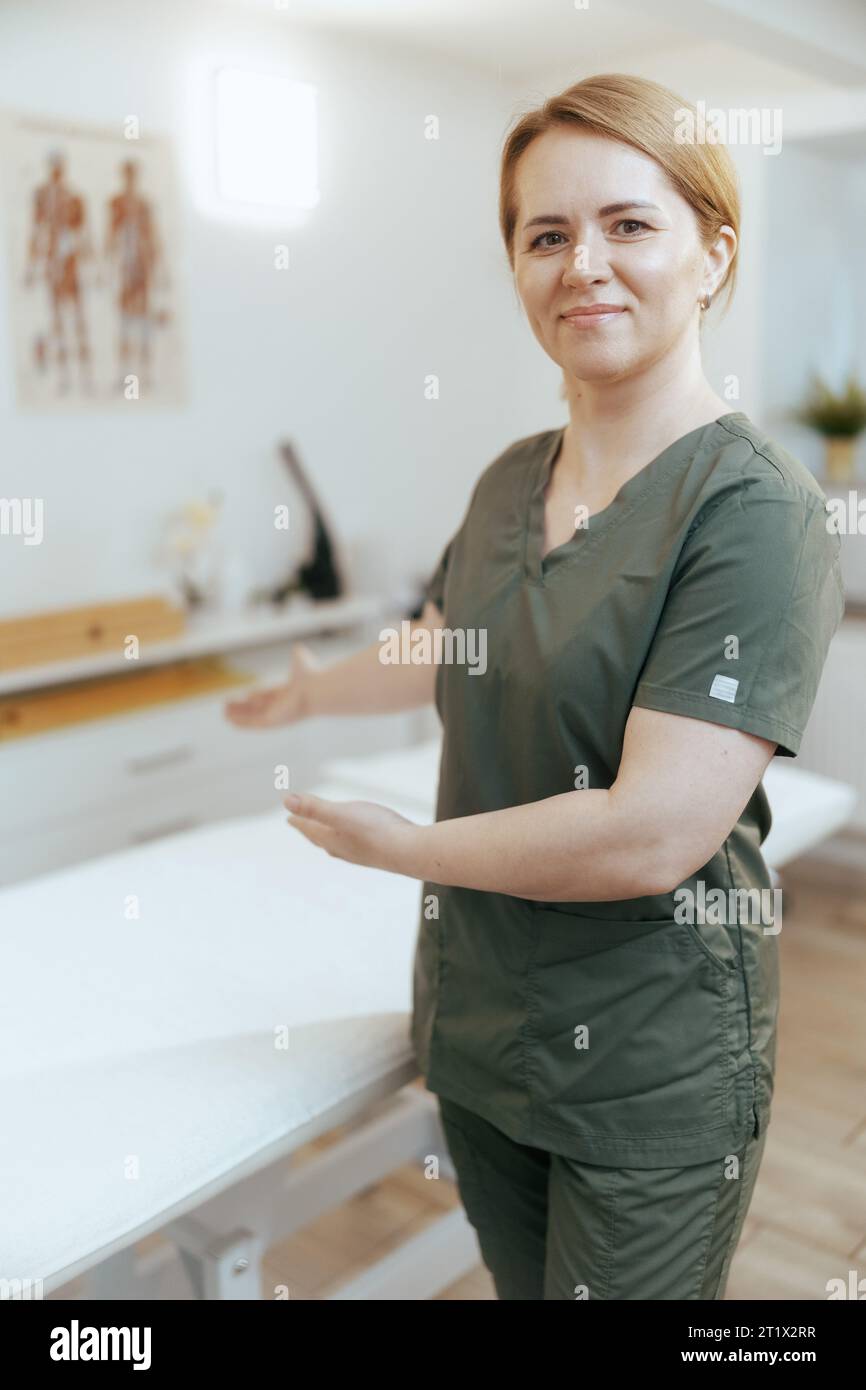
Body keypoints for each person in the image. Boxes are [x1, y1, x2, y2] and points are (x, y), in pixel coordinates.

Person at [225, 73, 845, 1300]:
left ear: (712, 253)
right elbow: (450, 640)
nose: (583, 265)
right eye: (544, 234)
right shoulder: (508, 478)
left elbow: (649, 832)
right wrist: (310, 689)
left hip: (647, 1063)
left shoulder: (752, 511)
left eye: (628, 224)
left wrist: (409, 848)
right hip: (478, 1027)